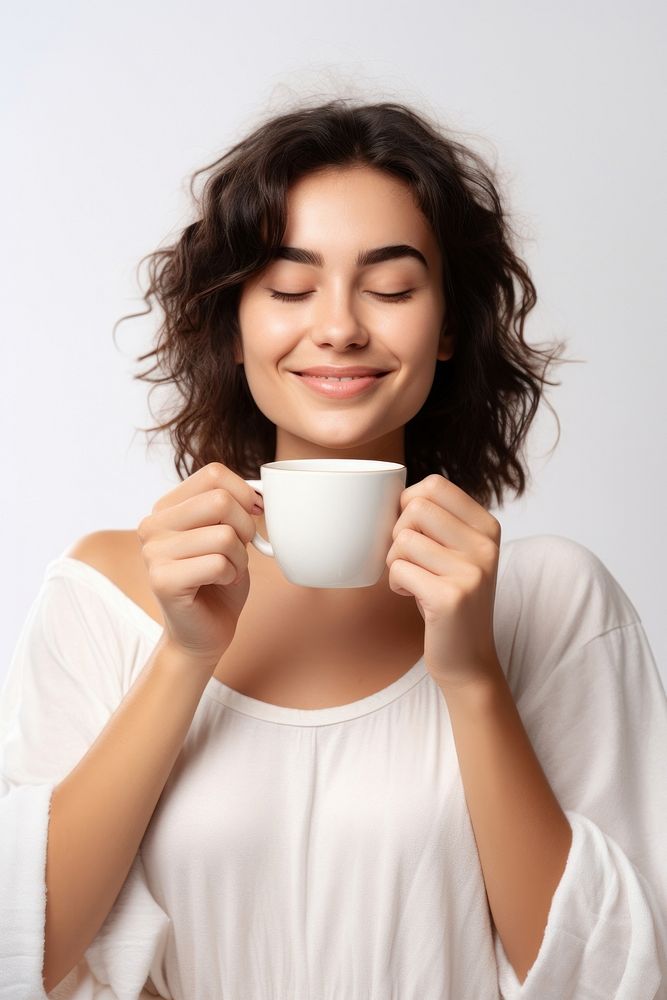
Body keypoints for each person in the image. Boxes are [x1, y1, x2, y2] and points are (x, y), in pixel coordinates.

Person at [1, 97, 666, 1000]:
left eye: (390, 289)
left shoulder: (551, 601)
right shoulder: (109, 591)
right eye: (288, 288)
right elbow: (23, 956)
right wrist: (184, 656)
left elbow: (613, 978)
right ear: (234, 326)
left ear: (448, 327)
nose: (340, 327)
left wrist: (472, 676)